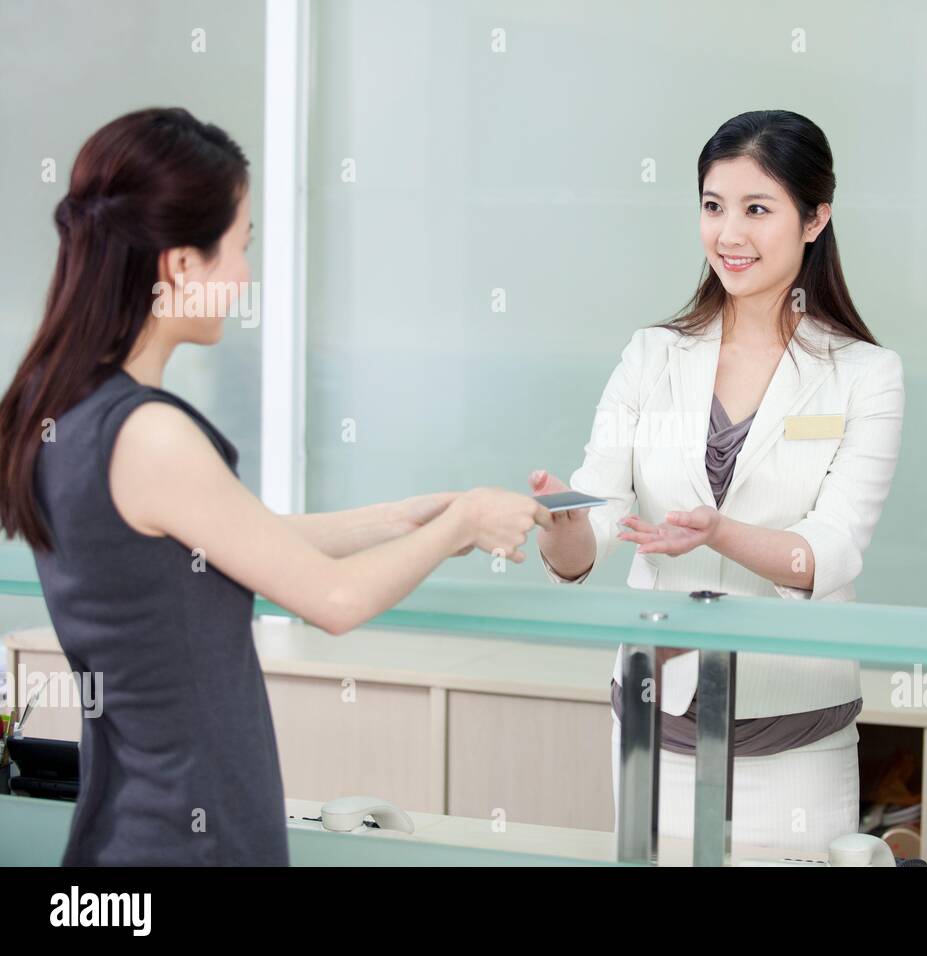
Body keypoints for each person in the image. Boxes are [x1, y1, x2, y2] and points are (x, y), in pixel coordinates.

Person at [0, 108, 551, 865]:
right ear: (181, 265)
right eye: (240, 246)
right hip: (187, 836)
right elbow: (332, 601)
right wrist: (463, 526)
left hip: (127, 836)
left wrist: (406, 518)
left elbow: (229, 545)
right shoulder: (150, 435)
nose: (245, 276)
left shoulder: (67, 411)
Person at [531, 110, 905, 852]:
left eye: (757, 209)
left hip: (795, 735)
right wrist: (564, 523)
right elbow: (595, 521)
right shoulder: (653, 356)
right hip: (655, 718)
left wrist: (722, 533)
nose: (728, 234)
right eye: (713, 206)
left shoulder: (867, 374)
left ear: (815, 218)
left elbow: (831, 553)